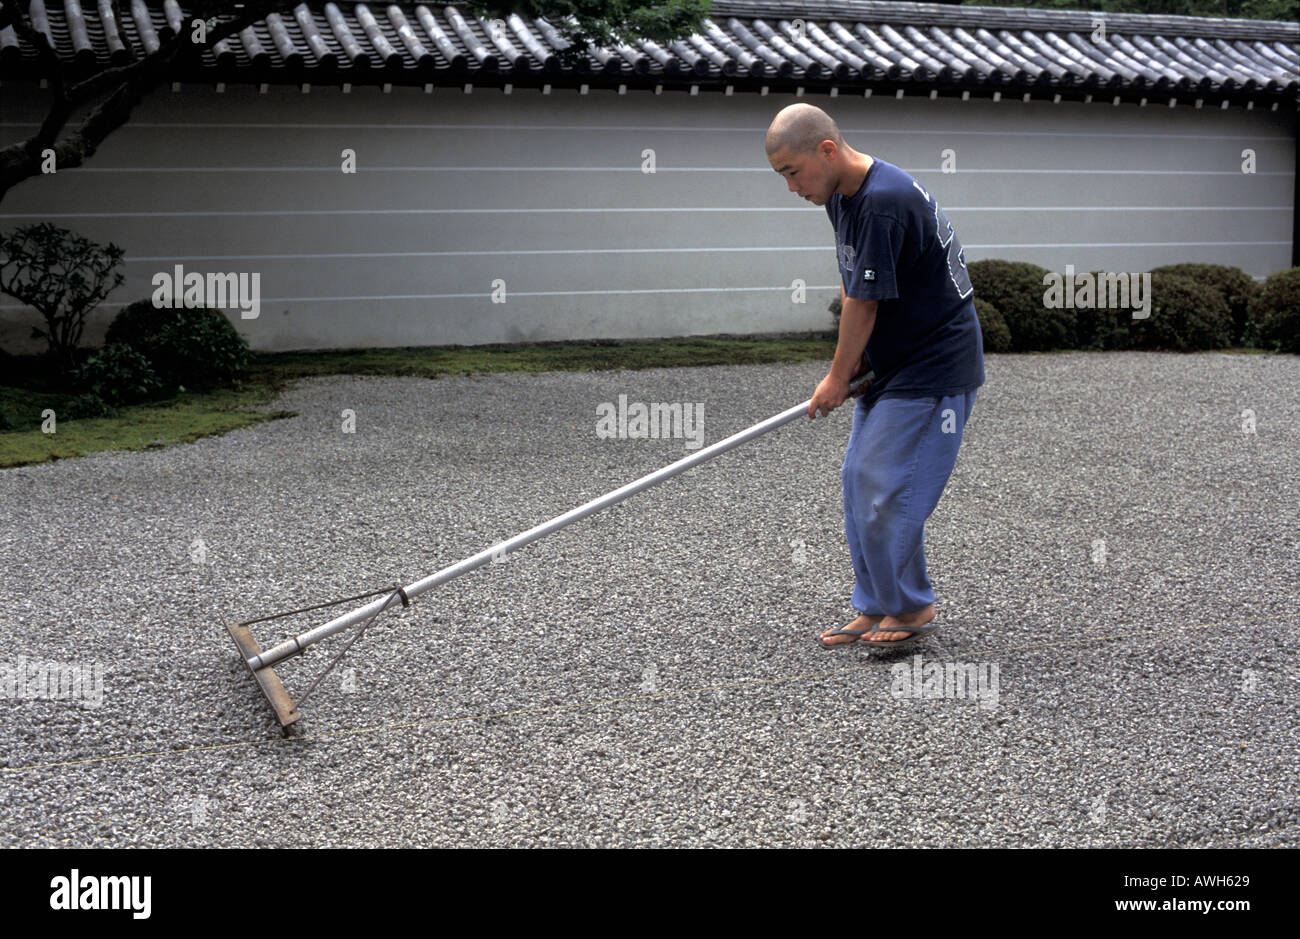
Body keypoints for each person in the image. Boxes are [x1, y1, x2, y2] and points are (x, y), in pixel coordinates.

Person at [765, 103, 985, 648]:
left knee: (890, 486)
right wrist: (856, 361)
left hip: (934, 363)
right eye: (782, 177)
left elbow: (863, 301)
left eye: (793, 172)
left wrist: (837, 377)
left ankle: (911, 608)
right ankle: (877, 602)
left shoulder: (883, 202)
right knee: (861, 480)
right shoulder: (843, 195)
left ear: (827, 150)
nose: (792, 187)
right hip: (894, 361)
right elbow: (854, 279)